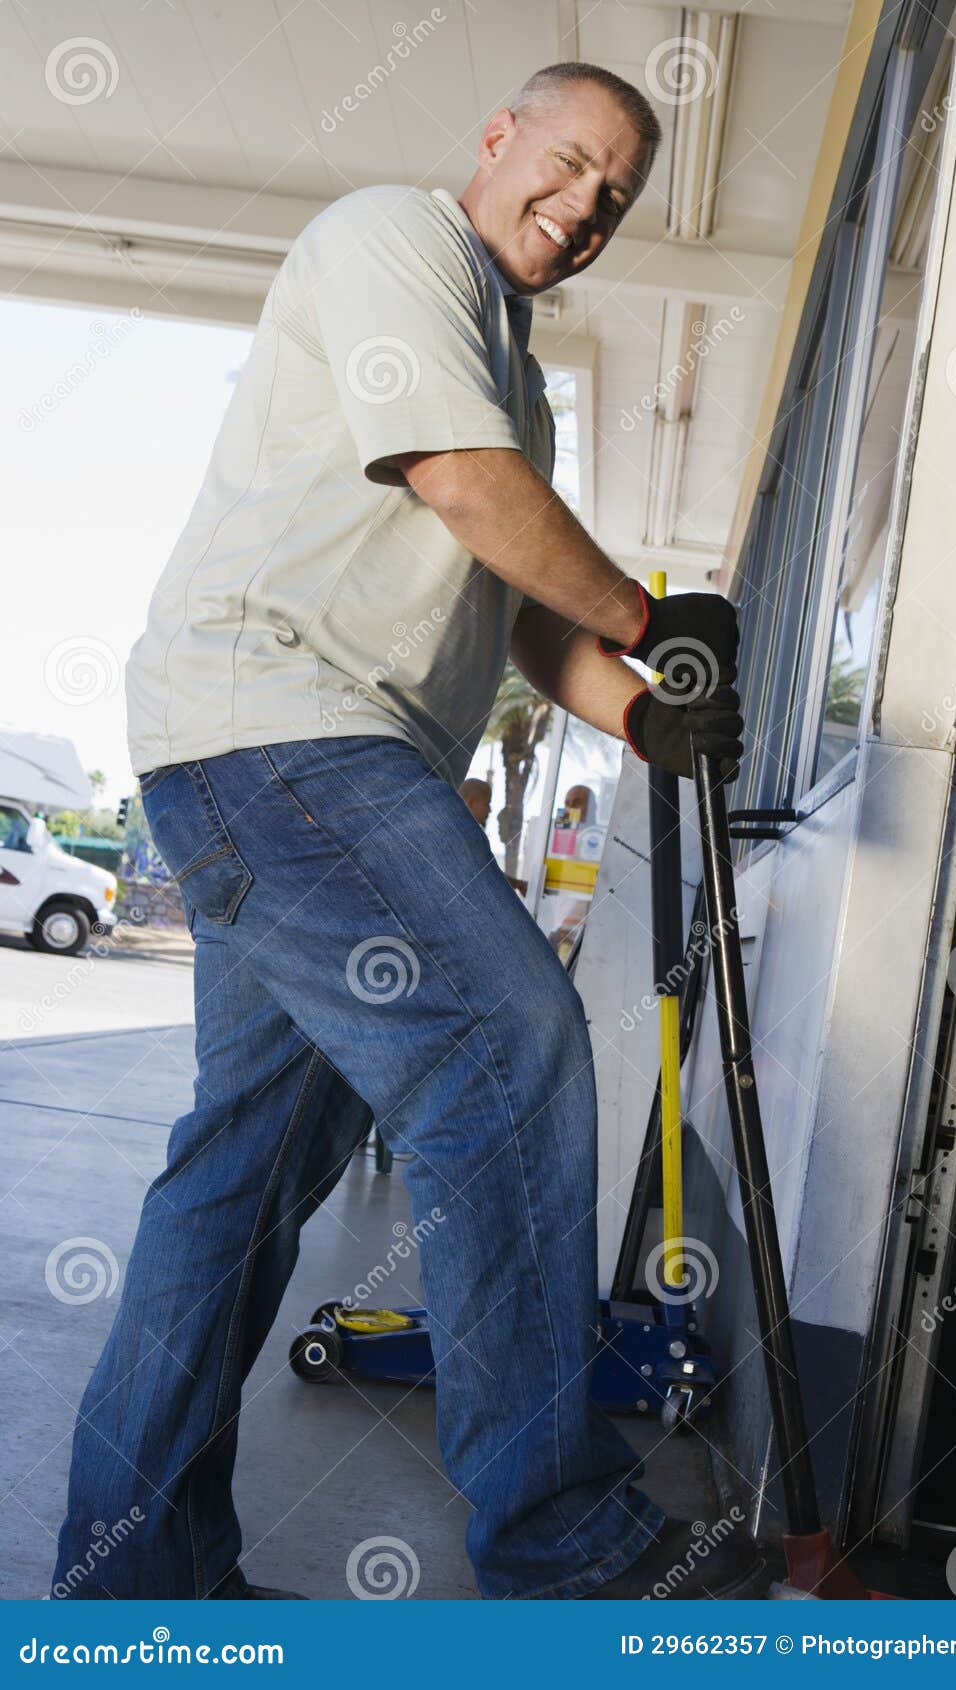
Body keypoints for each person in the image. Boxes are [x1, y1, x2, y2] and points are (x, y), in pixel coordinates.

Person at [53, 61, 750, 1601]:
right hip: (288, 739)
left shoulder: (514, 376)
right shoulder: (395, 240)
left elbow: (513, 607)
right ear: (496, 140)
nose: (578, 209)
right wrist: (653, 613)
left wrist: (642, 706)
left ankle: (131, 1577)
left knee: (236, 1183)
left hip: (290, 770)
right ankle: (559, 1534)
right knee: (506, 1045)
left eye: (611, 199)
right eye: (563, 165)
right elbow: (460, 487)